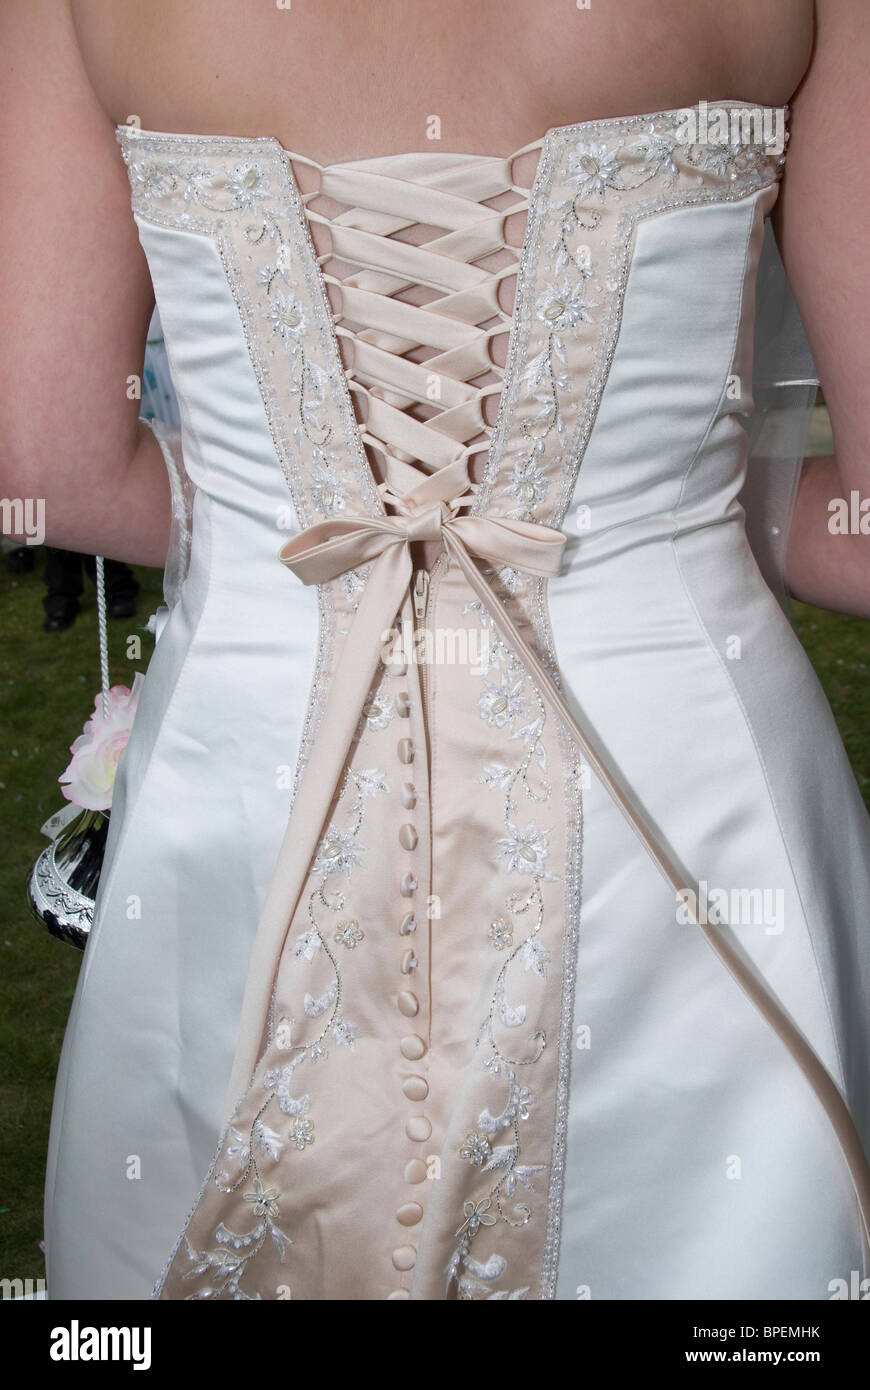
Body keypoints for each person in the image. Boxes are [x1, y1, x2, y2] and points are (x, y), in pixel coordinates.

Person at [1, 0, 868, 1301]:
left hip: (246, 778)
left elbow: (47, 467)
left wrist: (268, 513)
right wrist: (665, 501)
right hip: (684, 800)